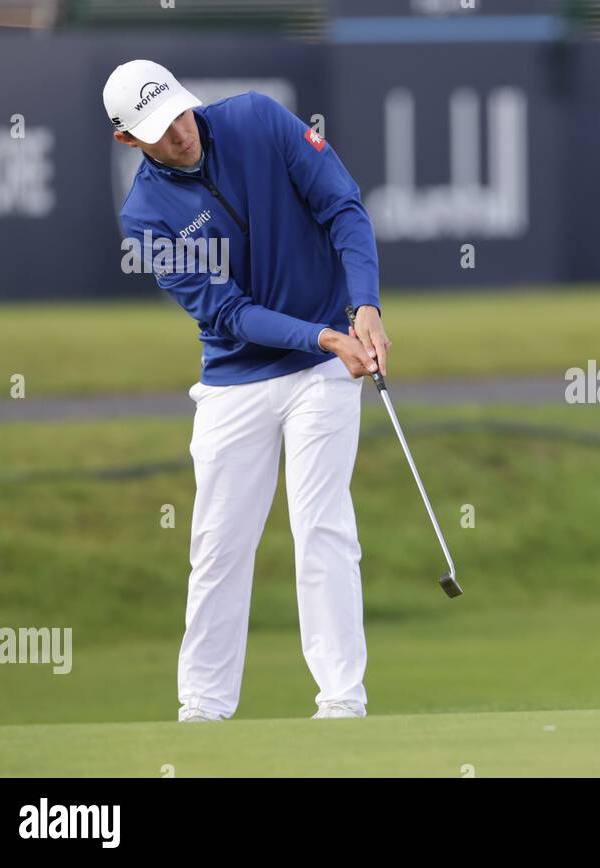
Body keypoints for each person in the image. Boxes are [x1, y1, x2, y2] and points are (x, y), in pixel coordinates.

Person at [104, 59, 389, 721]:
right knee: (219, 545)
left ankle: (342, 699)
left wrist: (365, 306)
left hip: (325, 371)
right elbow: (228, 314)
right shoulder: (146, 216)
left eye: (177, 112)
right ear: (128, 140)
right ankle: (204, 706)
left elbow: (343, 207)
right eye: (157, 129)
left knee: (323, 525)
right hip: (237, 380)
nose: (179, 133)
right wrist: (324, 338)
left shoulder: (259, 119)